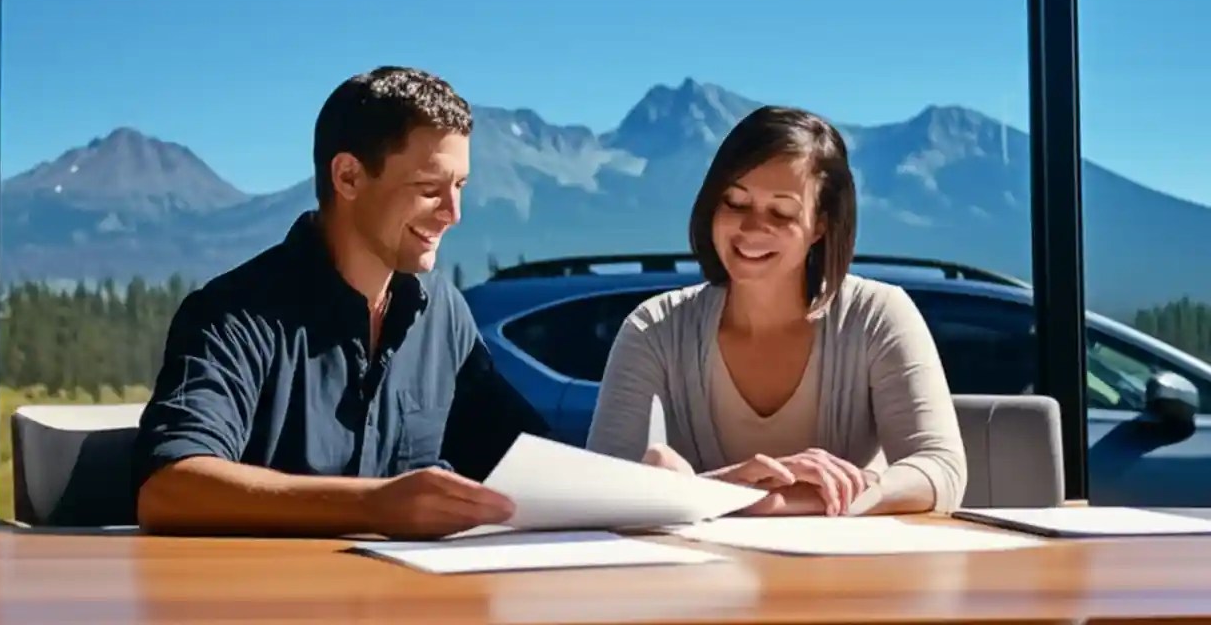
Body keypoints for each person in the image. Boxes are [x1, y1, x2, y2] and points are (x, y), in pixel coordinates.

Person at [132, 66, 549, 538]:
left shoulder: (444, 315)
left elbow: (527, 458)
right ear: (348, 177)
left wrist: (635, 484)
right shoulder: (231, 316)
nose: (454, 214)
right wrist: (372, 507)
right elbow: (168, 488)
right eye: (429, 189)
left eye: (461, 187)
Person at [585, 106, 967, 517]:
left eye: (781, 212)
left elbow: (940, 469)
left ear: (820, 225)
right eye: (735, 202)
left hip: (847, 576)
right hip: (702, 576)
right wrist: (730, 489)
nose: (751, 229)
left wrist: (790, 499)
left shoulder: (877, 315)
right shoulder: (654, 329)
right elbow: (604, 489)